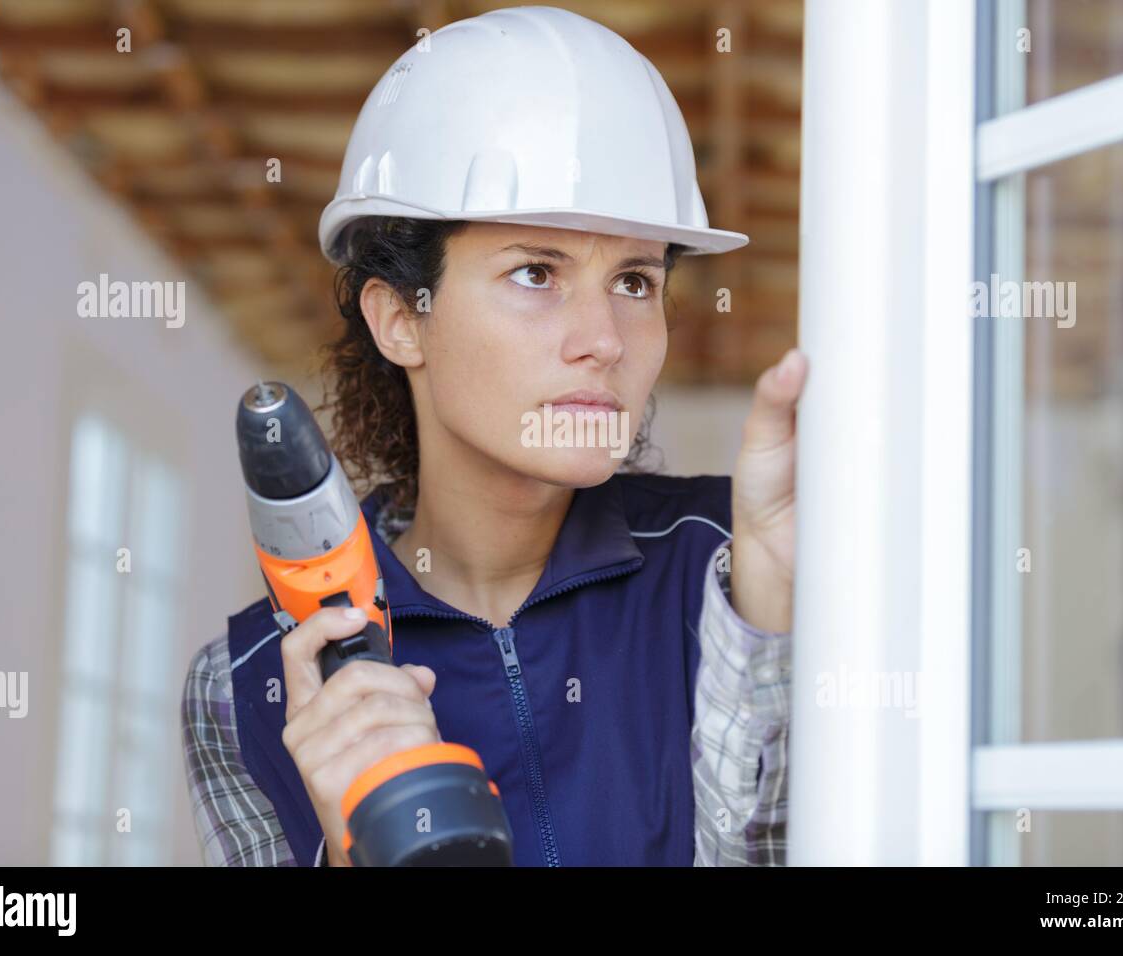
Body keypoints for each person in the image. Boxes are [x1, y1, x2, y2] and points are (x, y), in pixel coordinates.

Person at [181, 5, 806, 867]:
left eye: (634, 279)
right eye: (536, 271)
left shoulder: (736, 566)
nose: (606, 338)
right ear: (401, 318)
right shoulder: (243, 686)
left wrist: (772, 623)